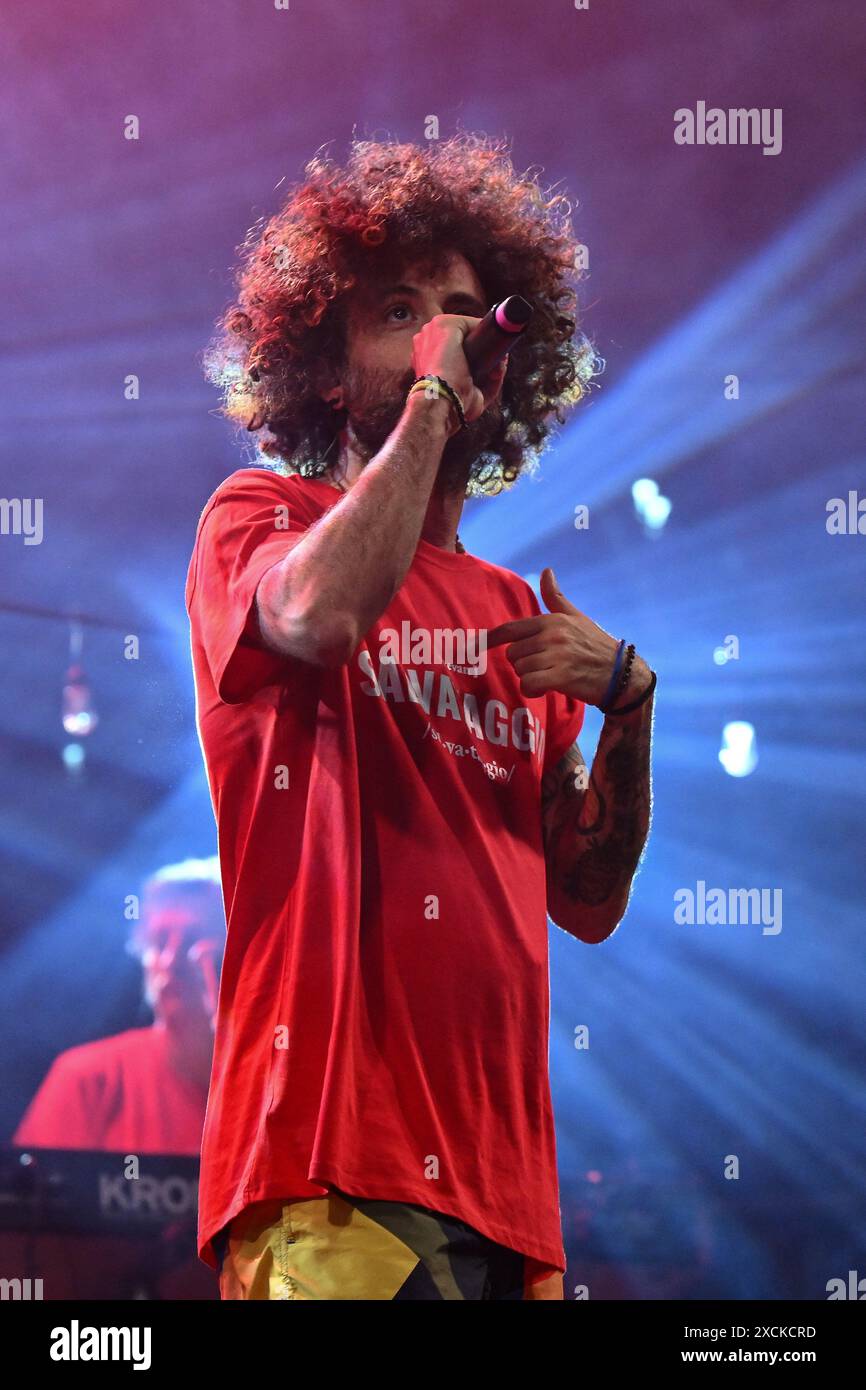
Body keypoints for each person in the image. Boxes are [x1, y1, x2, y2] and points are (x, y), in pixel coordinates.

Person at [186, 133, 656, 1301]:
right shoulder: (261, 516)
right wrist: (437, 396)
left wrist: (629, 705)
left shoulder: (512, 612)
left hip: (509, 1197)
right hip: (331, 1167)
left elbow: (584, 900)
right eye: (397, 311)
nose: (440, 333)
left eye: (460, 311)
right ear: (329, 371)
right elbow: (317, 618)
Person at [14, 858, 225, 1155]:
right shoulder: (89, 1080)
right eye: (159, 941)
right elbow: (34, 1197)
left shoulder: (280, 1081)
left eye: (193, 941)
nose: (169, 961)